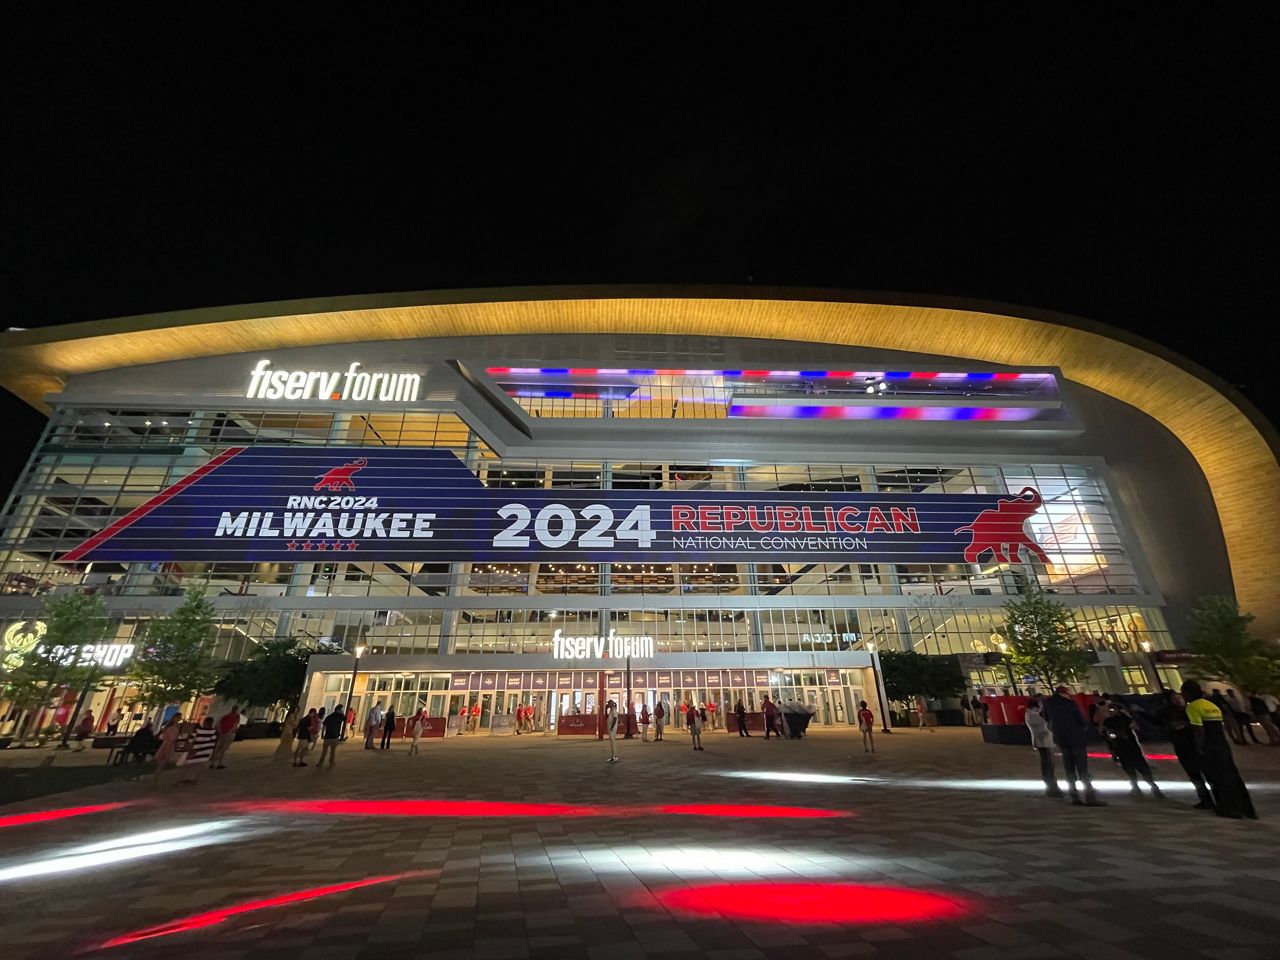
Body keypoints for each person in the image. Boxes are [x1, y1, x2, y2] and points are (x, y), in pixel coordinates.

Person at [1182, 680, 1257, 819]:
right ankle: (1246, 808)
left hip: (1209, 746)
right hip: (1222, 743)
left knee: (1217, 777)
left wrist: (1199, 747)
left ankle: (1228, 808)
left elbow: (1198, 729)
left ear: (1188, 693)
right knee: (1232, 775)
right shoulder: (1211, 705)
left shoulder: (1192, 707)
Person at [1042, 686, 1105, 806]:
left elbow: (1045, 717)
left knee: (1068, 767)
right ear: (1065, 693)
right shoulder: (1070, 703)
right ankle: (1089, 796)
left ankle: (1074, 795)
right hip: (1076, 738)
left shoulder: (1048, 703)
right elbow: (1081, 720)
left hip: (1061, 738)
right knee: (1082, 768)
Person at [1162, 691, 1215, 809]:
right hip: (1184, 745)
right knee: (1195, 773)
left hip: (1190, 744)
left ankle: (1209, 799)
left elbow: (1197, 727)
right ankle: (1206, 798)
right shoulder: (1172, 712)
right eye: (1175, 697)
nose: (1178, 698)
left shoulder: (1186, 710)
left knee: (1198, 772)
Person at [1102, 703, 1164, 798]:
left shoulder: (1126, 719)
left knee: (1142, 768)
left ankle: (1153, 787)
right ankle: (1136, 787)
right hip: (1120, 747)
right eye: (1110, 709)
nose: (1111, 711)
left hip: (1131, 747)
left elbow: (1135, 728)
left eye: (1113, 709)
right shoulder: (1109, 721)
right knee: (1129, 768)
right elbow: (1108, 735)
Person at [1025, 697, 1061, 796]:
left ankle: (1051, 786)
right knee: (1048, 765)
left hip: (1043, 742)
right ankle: (1051, 787)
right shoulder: (1033, 715)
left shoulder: (1032, 714)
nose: (1041, 705)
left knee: (1048, 765)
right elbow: (1043, 727)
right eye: (1040, 704)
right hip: (1044, 742)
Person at [180, 717, 218, 784]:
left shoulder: (198, 730)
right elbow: (213, 743)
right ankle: (195, 780)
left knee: (189, 765)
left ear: (205, 722)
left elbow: (191, 739)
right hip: (205, 751)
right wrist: (211, 753)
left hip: (195, 750)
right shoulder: (213, 731)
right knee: (200, 767)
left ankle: (186, 778)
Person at [151, 714, 182, 786]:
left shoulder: (173, 727)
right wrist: (177, 744)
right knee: (163, 763)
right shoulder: (172, 728)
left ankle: (156, 781)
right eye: (179, 717)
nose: (180, 719)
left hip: (168, 745)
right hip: (168, 745)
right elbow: (172, 738)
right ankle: (156, 781)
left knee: (164, 763)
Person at [318, 702, 346, 768]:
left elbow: (324, 725)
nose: (342, 711)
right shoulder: (339, 717)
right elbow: (345, 718)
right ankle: (331, 763)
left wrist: (322, 734)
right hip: (334, 736)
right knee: (332, 751)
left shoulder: (330, 716)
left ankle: (321, 763)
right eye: (341, 710)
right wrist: (342, 714)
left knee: (325, 751)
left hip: (329, 736)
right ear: (339, 710)